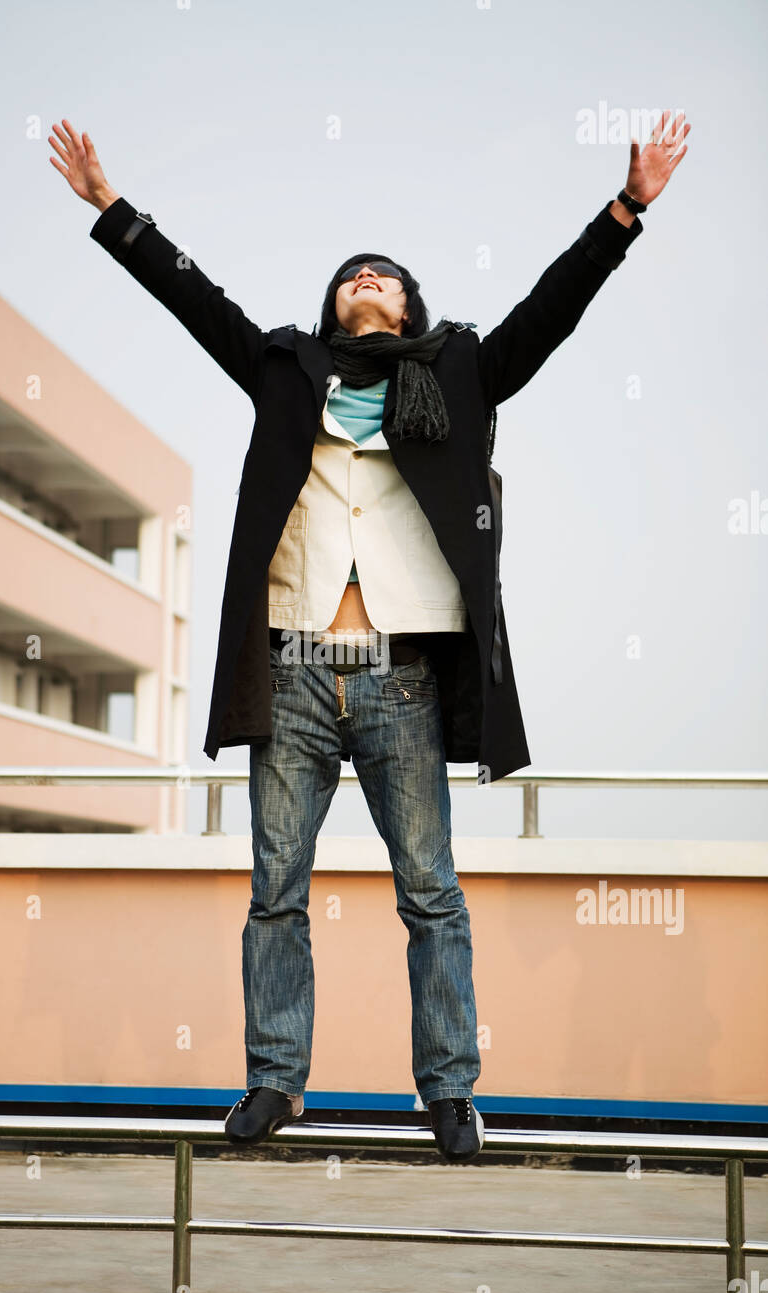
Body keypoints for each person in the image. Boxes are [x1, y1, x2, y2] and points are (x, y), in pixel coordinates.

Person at [50, 113, 689, 1160]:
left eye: (384, 275)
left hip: (402, 679)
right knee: (275, 893)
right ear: (331, 306)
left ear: (409, 307)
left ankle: (448, 1094)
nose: (366, 279)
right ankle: (274, 1082)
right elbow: (194, 300)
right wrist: (111, 207)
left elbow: (550, 311)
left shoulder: (460, 371)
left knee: (430, 893)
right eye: (351, 274)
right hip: (293, 670)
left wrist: (624, 210)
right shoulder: (284, 368)